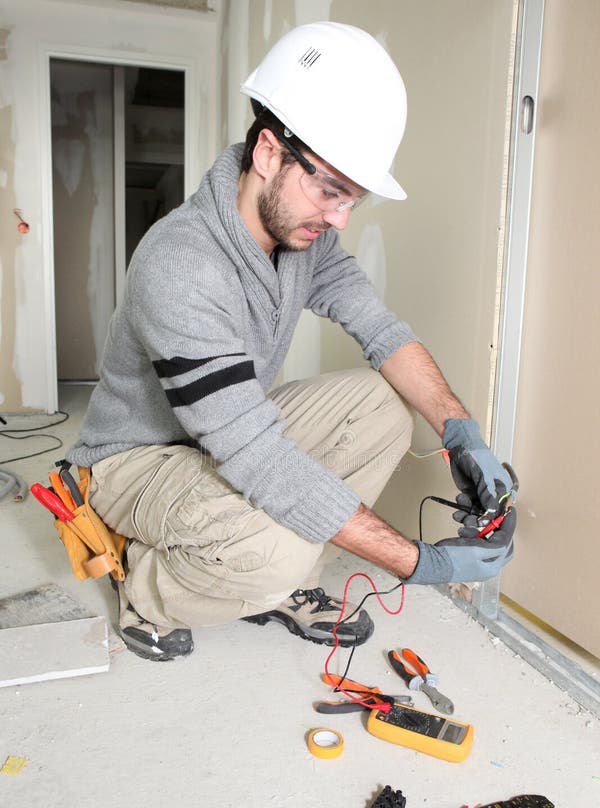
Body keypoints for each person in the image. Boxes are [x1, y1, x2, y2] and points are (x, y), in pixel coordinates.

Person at [67, 22, 516, 661]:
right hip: (135, 460)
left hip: (222, 437)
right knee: (279, 545)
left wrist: (462, 434)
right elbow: (256, 455)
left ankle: (280, 583)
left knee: (383, 404)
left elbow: (380, 331)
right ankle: (148, 585)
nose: (338, 218)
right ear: (270, 153)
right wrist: (417, 562)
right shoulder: (181, 264)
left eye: (352, 200)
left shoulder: (305, 240)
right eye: (330, 190)